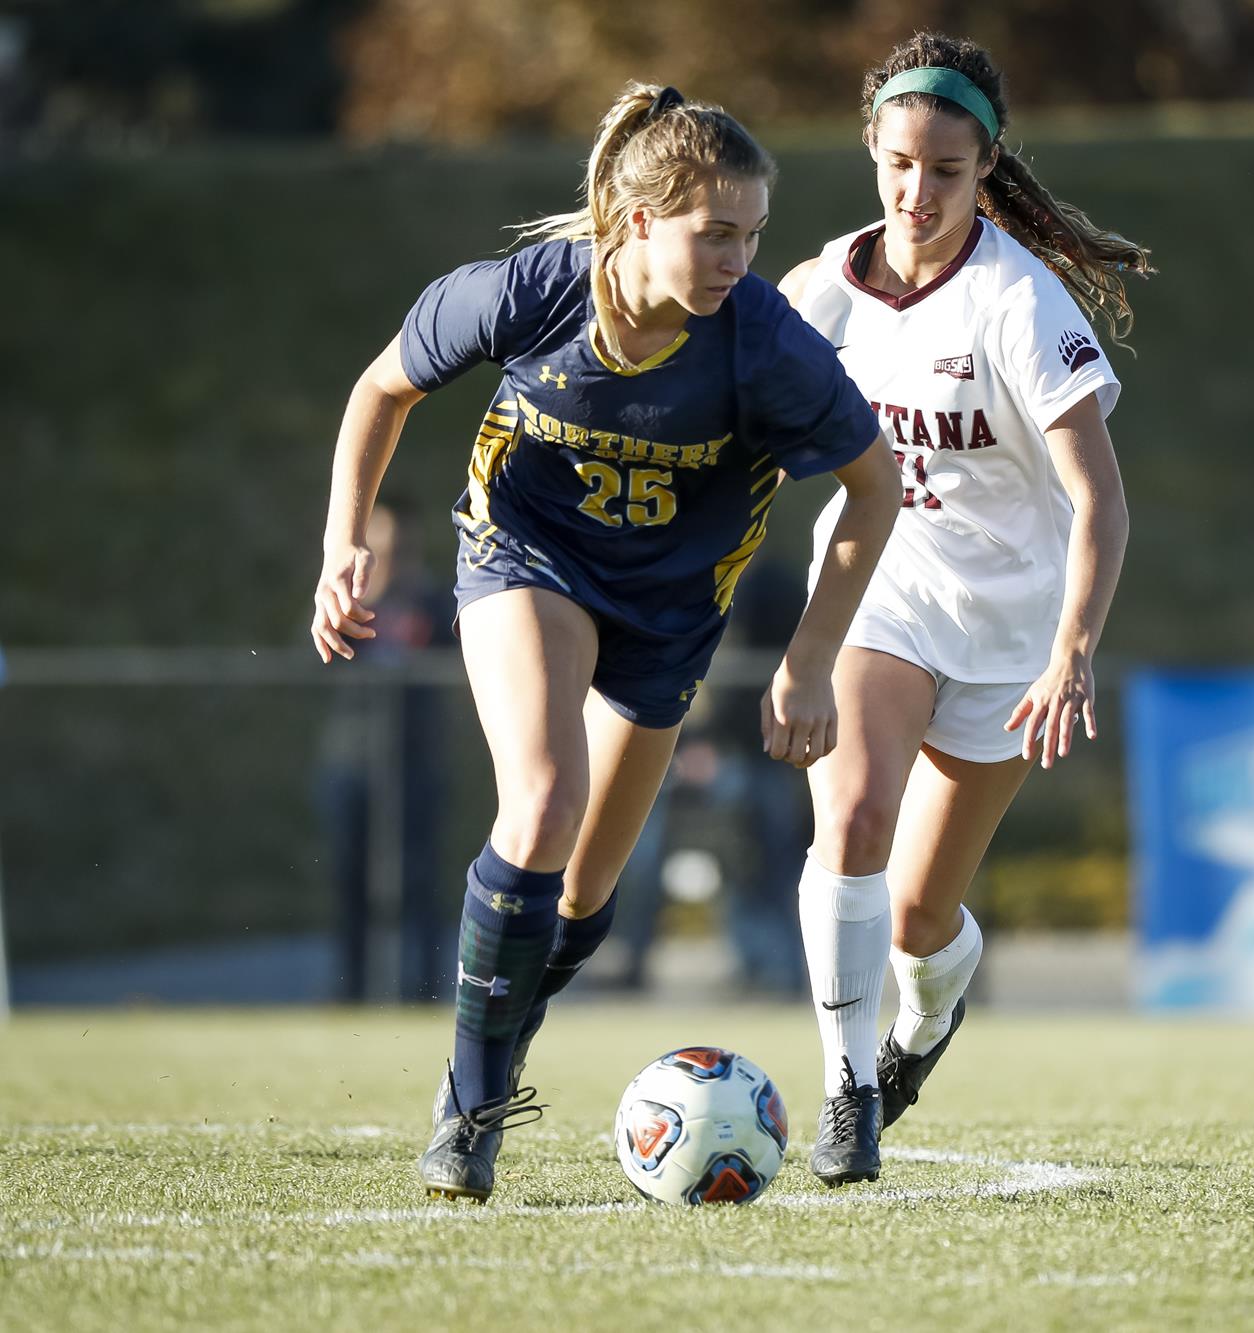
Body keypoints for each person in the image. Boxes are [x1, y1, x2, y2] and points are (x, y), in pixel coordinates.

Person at [310, 82, 900, 1202]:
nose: (738, 258)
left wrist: (808, 657)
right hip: (525, 557)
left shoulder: (762, 344)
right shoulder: (527, 293)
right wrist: (344, 543)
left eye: (753, 235)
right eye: (714, 233)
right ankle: (469, 1109)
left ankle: (495, 1046)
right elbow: (380, 390)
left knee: (583, 900)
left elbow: (875, 491)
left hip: (671, 614)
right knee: (539, 803)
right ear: (638, 222)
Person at [776, 31, 1147, 1185]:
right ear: (871, 153)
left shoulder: (1016, 303)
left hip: (1010, 637)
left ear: (985, 168)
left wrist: (1071, 652)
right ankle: (845, 1092)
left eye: (945, 170)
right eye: (898, 163)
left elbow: (1100, 501)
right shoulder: (814, 293)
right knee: (852, 827)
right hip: (880, 595)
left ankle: (924, 1015)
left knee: (918, 918)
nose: (917, 191)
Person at [311, 502, 454, 1002]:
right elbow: (318, 657)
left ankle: (423, 992)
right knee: (349, 878)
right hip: (354, 759)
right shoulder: (347, 599)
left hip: (415, 761)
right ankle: (349, 990)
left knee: (420, 880)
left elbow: (455, 648)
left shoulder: (430, 599)